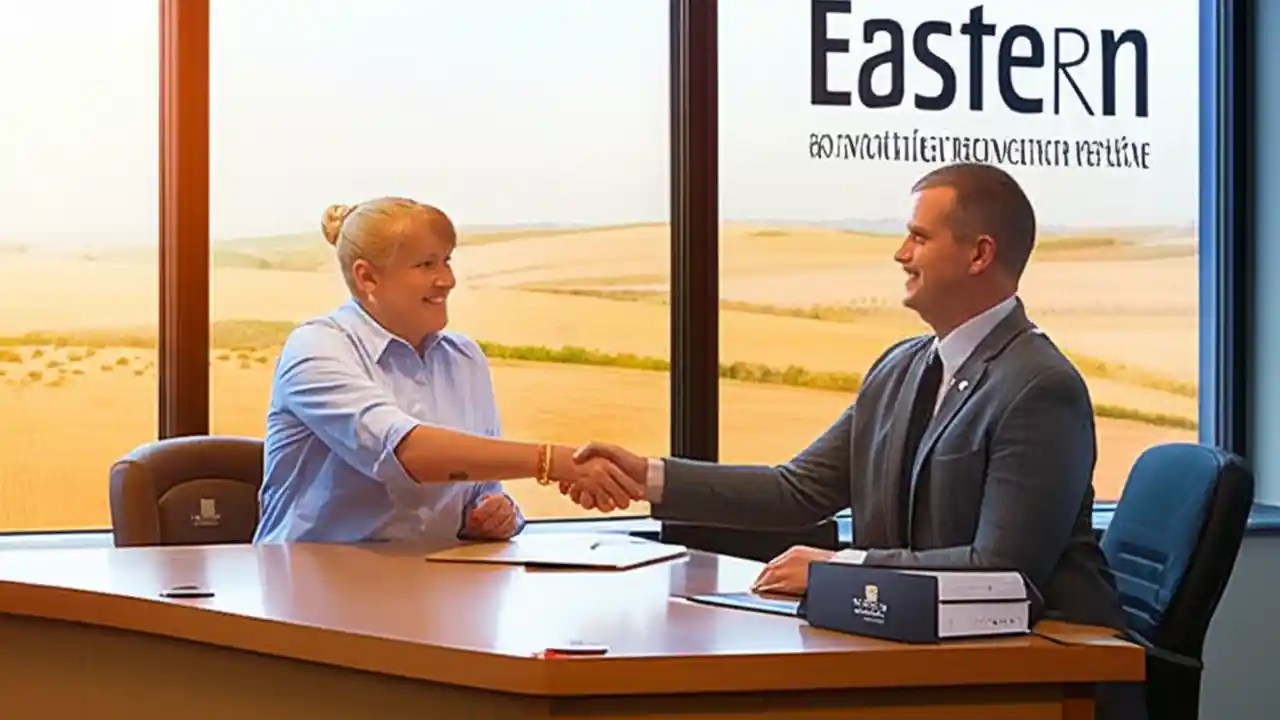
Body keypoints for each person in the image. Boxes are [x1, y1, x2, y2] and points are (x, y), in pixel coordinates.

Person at [573, 163, 1126, 623]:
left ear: (979, 255)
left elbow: (1003, 570)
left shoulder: (1040, 387)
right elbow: (797, 491)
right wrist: (644, 476)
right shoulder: (899, 367)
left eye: (919, 237)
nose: (901, 254)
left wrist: (844, 567)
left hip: (1045, 668)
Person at [254, 197, 642, 545]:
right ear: (367, 277)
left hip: (427, 594)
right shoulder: (316, 349)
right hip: (309, 595)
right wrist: (553, 462)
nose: (448, 280)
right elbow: (406, 454)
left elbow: (480, 485)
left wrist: (495, 513)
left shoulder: (464, 358)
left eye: (447, 260)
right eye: (426, 265)